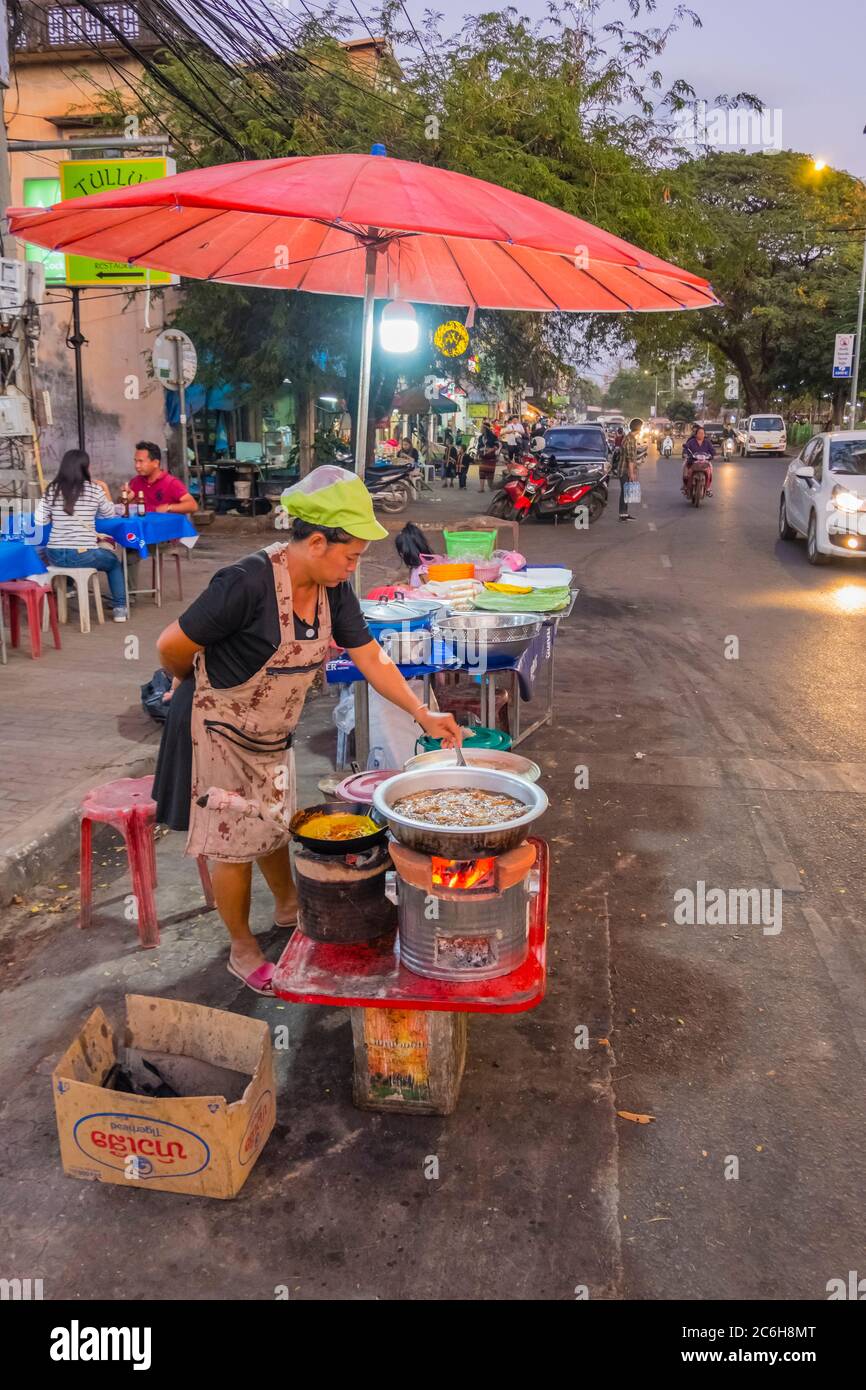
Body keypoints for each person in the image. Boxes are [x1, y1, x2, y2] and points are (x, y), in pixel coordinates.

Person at [153, 466, 463, 996]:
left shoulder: (333, 591)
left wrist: (422, 712)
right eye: (351, 555)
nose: (354, 566)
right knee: (233, 845)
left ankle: (288, 906)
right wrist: (191, 684)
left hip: (271, 733)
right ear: (317, 541)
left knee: (273, 822)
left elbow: (370, 657)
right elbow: (170, 646)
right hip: (219, 732)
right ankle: (241, 946)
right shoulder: (244, 582)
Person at [39, 448, 128, 620]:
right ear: (85, 468)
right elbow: (109, 515)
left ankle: (69, 589)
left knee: (68, 557)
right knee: (113, 563)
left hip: (54, 554)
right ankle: (120, 608)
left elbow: (42, 519)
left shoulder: (52, 490)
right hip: (82, 555)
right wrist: (105, 488)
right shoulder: (94, 490)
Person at [125, 441, 197, 515]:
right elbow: (127, 508)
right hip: (143, 526)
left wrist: (169, 507)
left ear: (156, 463)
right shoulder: (135, 481)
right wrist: (127, 499)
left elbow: (193, 505)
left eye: (141, 461)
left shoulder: (171, 483)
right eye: (135, 461)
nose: (137, 466)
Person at [682, 425, 715, 497]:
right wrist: (685, 454)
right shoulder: (691, 441)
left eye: (702, 433)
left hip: (705, 461)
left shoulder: (707, 442)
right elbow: (686, 449)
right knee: (685, 465)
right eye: (699, 433)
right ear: (696, 434)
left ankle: (708, 488)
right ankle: (685, 486)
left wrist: (712, 455)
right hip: (693, 461)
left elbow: (712, 451)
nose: (701, 435)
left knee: (710, 469)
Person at [619, 418, 642, 521]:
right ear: (639, 428)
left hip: (624, 469)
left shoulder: (628, 437)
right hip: (625, 470)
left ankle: (624, 513)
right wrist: (632, 473)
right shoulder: (630, 439)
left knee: (626, 491)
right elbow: (630, 459)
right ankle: (623, 515)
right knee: (625, 492)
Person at [477, 422, 500, 492]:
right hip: (483, 457)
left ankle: (491, 486)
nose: (480, 429)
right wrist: (479, 452)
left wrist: (491, 449)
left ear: (485, 429)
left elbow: (497, 445)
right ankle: (481, 488)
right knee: (481, 472)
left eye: (482, 428)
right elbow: (479, 446)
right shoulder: (480, 437)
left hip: (491, 458)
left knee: (490, 474)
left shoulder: (493, 436)